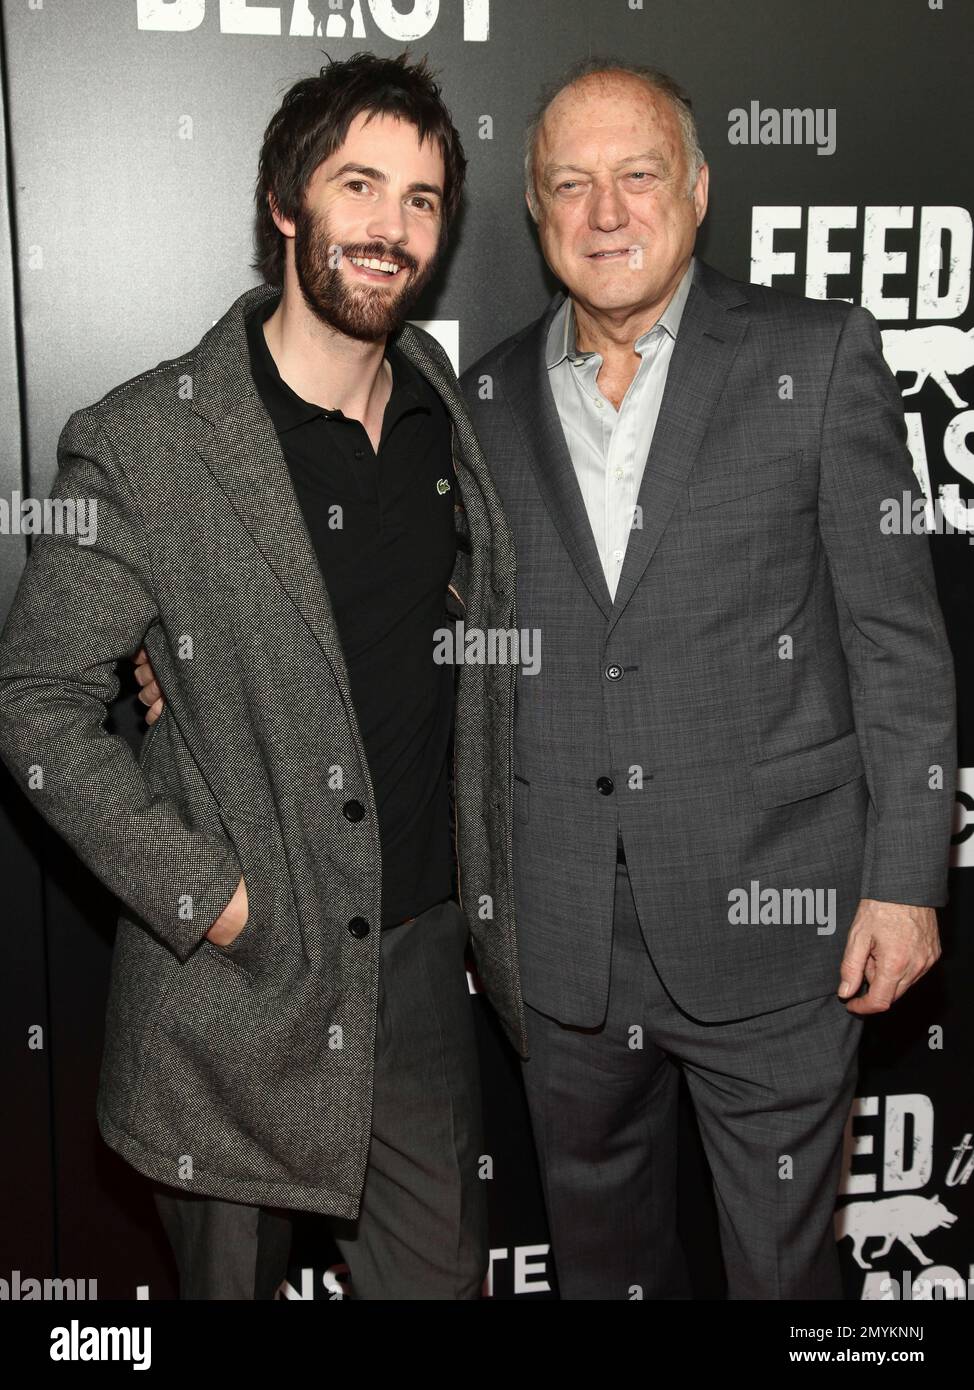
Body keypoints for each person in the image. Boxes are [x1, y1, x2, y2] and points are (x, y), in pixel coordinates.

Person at [0, 52, 525, 1300]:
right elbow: (32, 701)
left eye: (421, 200)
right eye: (359, 186)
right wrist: (211, 897)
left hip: (413, 980)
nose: (390, 228)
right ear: (285, 203)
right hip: (233, 991)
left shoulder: (448, 415)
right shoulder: (144, 440)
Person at [455, 59, 954, 1299]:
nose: (605, 211)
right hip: (563, 940)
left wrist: (905, 880)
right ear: (534, 212)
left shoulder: (817, 354)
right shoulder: (478, 399)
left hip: (777, 921)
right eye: (571, 184)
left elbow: (898, 639)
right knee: (601, 1271)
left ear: (697, 191)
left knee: (784, 1278)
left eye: (636, 177)